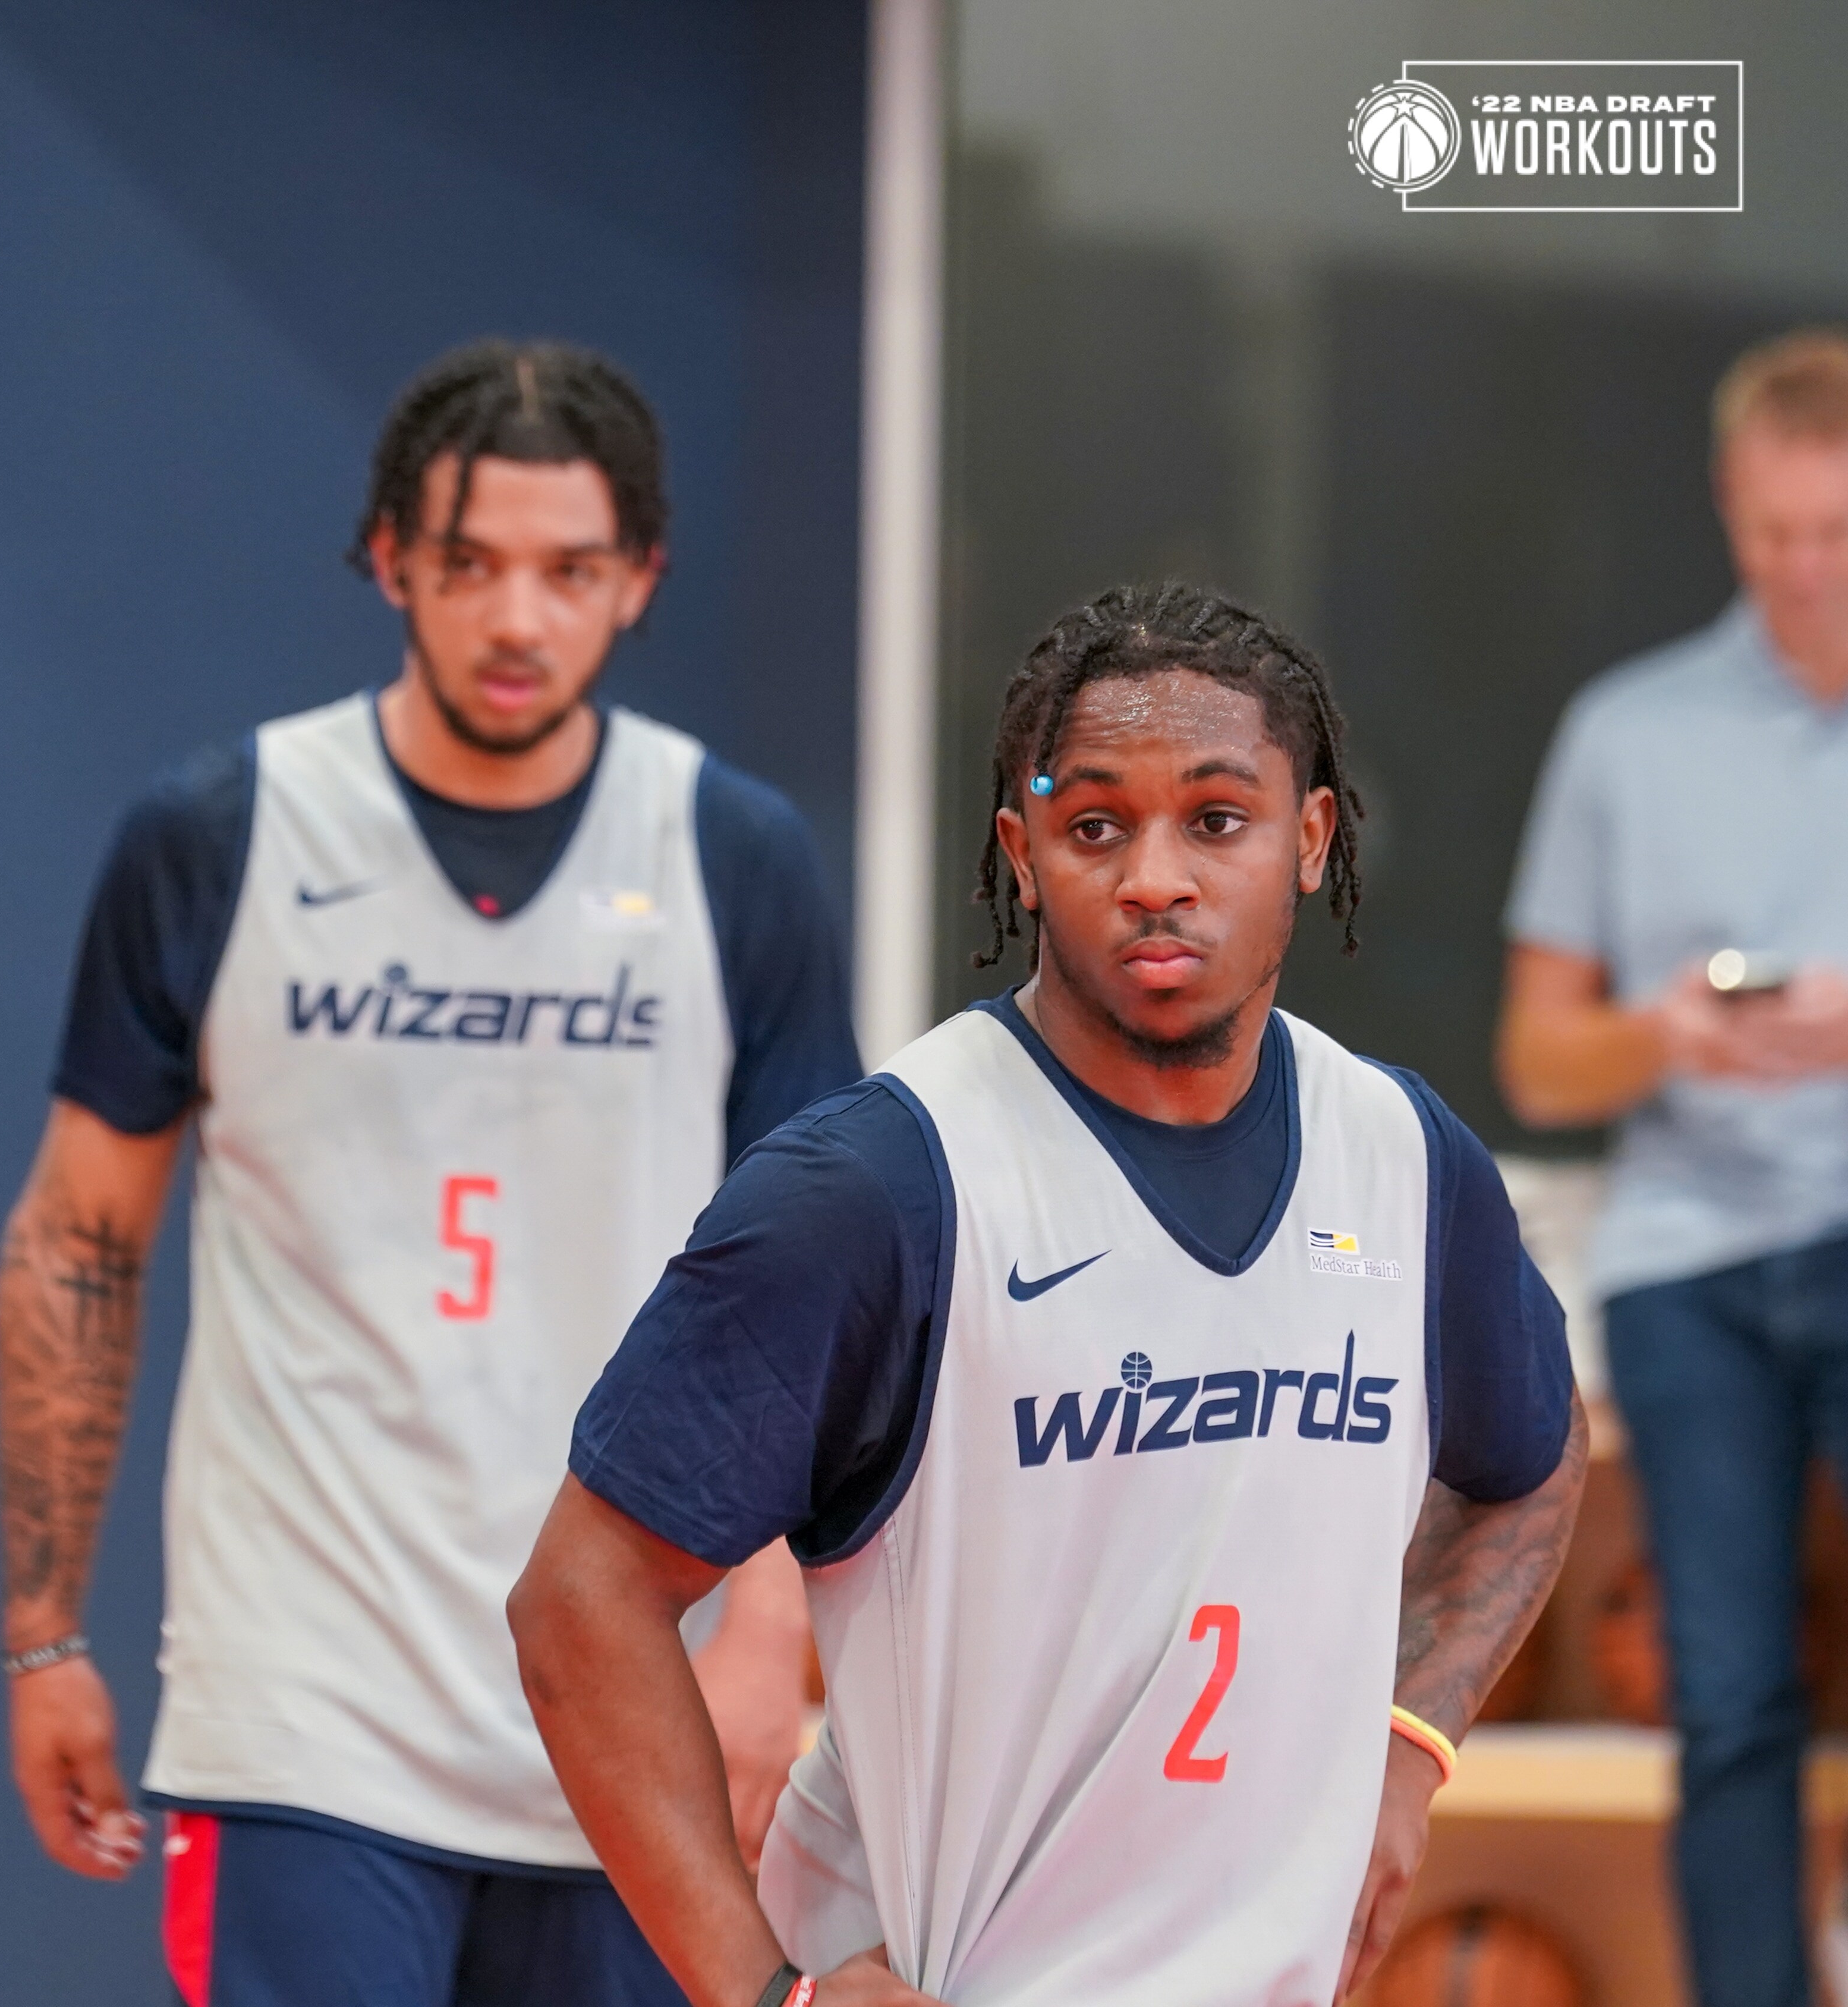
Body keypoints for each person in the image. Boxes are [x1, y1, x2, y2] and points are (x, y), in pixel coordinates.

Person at [508, 581, 1586, 2007]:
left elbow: (1531, 1453)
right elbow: (578, 1601)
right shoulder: (877, 1183)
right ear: (1019, 854)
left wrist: (1406, 1747)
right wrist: (763, 1992)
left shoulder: (1400, 1154)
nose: (1154, 874)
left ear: (1309, 838)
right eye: (1094, 826)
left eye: (1215, 819)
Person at [0, 338, 860, 2006]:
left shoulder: (731, 855)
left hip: (631, 1704)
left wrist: (772, 1639)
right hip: (302, 1706)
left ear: (642, 582)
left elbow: (805, 1303)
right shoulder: (221, 833)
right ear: (390, 560)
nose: (518, 619)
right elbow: (76, 1241)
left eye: (570, 572)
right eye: (469, 566)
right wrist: (44, 1635)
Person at [1499, 328, 1848, 2007]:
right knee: (1728, 1701)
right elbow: (1536, 1055)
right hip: (1687, 1263)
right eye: (1778, 534)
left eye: (1839, 537)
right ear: (1728, 506)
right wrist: (1667, 1035)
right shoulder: (1623, 734)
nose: (1803, 572)